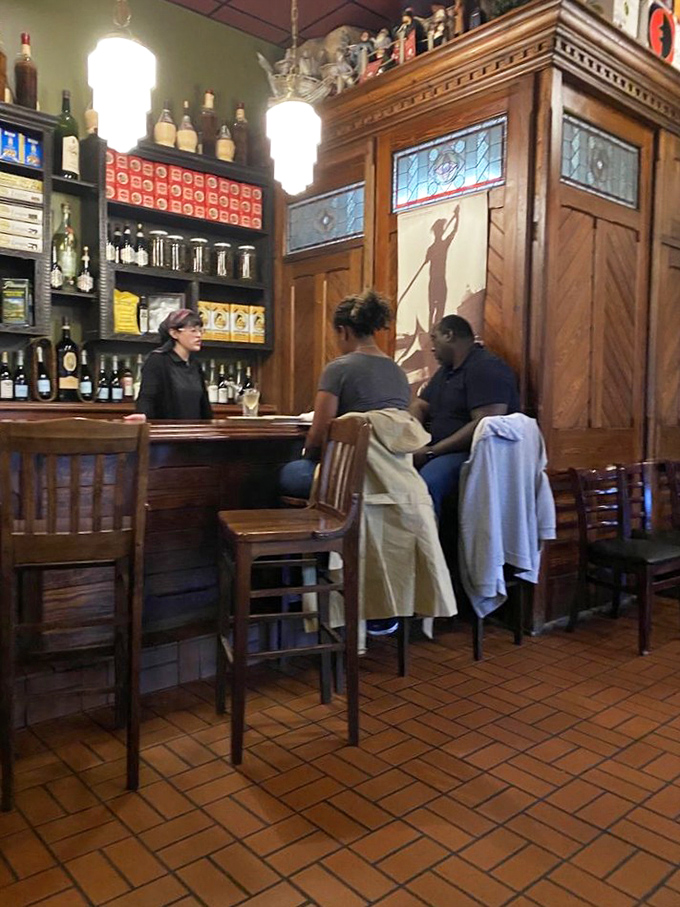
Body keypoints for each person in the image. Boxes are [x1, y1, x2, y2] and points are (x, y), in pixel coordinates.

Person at [280, 289, 410, 500]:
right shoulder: (399, 373)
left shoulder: (338, 369)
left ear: (344, 331)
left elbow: (318, 435)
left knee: (291, 472)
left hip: (349, 478)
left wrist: (308, 455)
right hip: (394, 478)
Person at [410, 314, 519, 519]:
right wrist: (414, 437)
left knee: (424, 486)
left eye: (434, 338)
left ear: (449, 335)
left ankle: (431, 550)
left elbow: (485, 423)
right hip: (434, 449)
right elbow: (420, 405)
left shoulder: (487, 368)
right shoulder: (447, 371)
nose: (432, 347)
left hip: (472, 454)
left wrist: (432, 452)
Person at [125, 309, 212, 422]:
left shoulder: (195, 364)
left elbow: (204, 404)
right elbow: (147, 396)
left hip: (195, 432)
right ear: (174, 333)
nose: (199, 335)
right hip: (167, 432)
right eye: (193, 331)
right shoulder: (158, 360)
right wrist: (143, 414)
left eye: (201, 330)